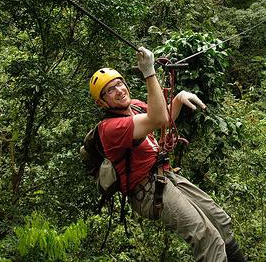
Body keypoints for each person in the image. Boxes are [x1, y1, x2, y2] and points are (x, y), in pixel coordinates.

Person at [89, 47, 246, 262]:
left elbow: (164, 114)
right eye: (109, 90)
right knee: (207, 238)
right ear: (102, 102)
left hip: (164, 176)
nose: (119, 90)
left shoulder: (134, 107)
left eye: (119, 83)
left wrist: (179, 98)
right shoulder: (110, 128)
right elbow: (158, 119)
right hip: (148, 190)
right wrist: (149, 72)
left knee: (221, 222)